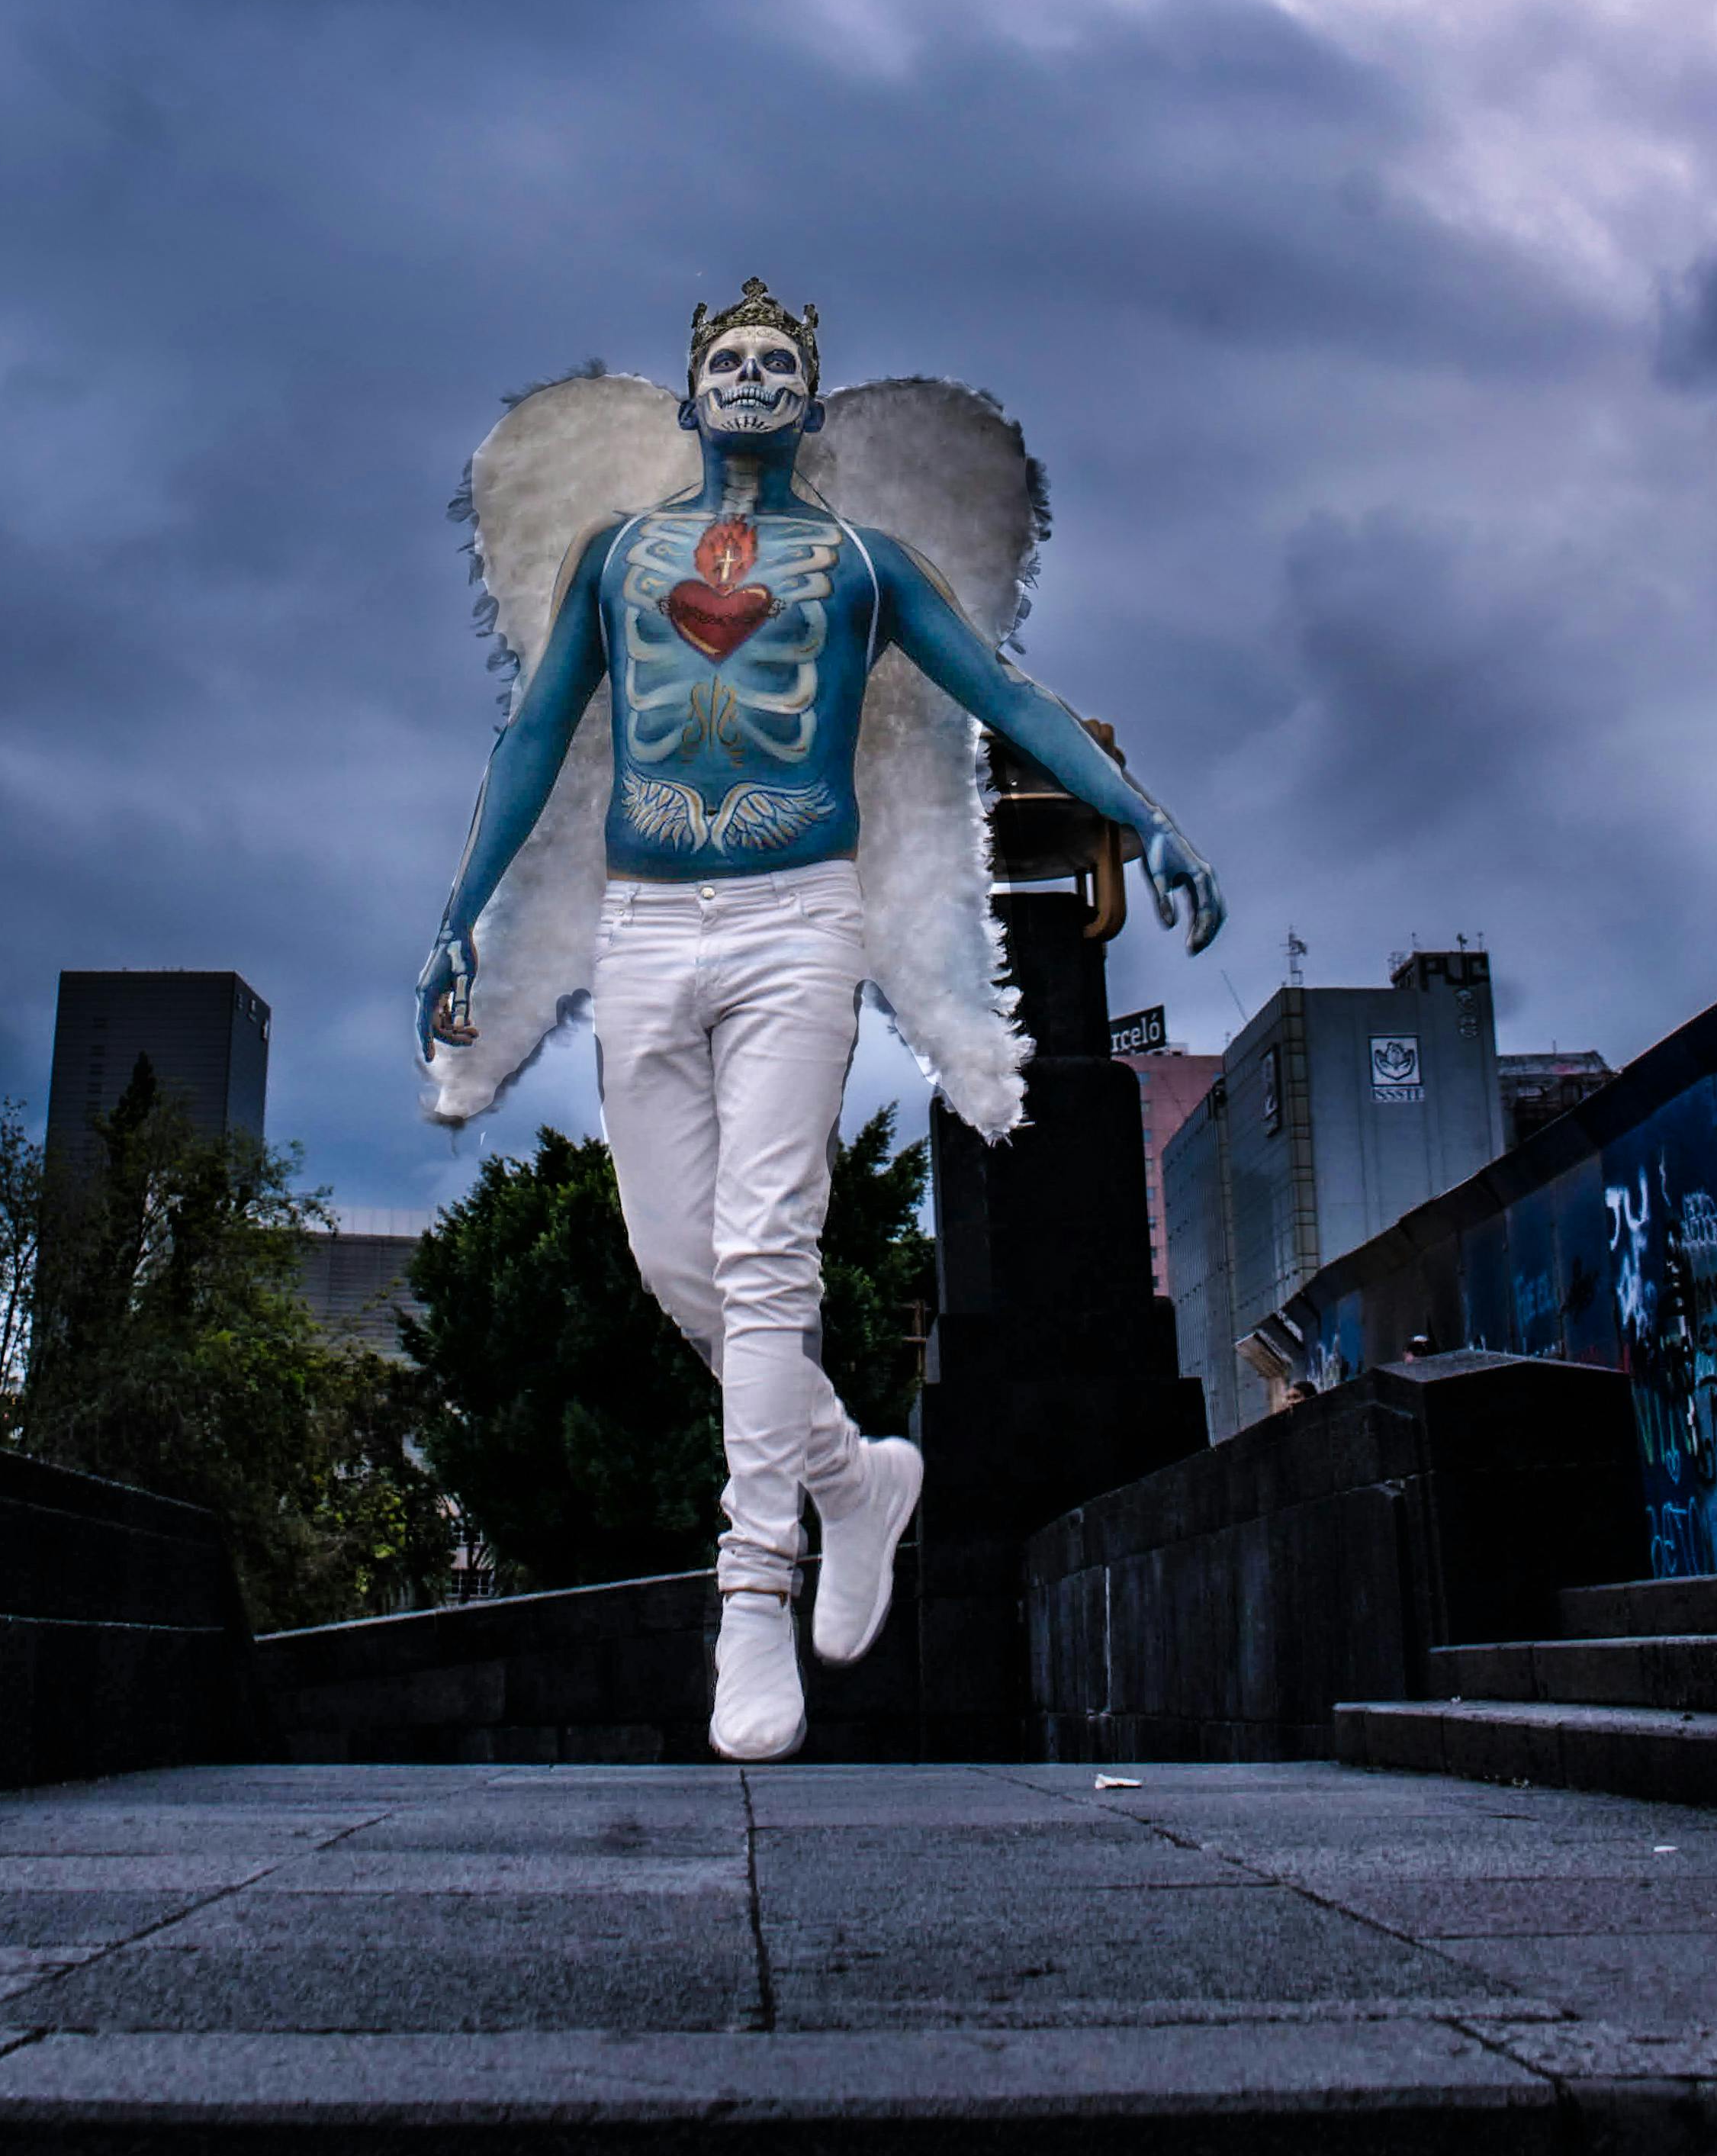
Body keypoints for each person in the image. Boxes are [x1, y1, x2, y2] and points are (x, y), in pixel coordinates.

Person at [416, 280, 1224, 1761]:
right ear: (688, 396)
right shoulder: (615, 559)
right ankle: (855, 1483)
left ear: (806, 402)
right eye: (724, 359)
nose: (746, 377)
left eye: (774, 362)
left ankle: (753, 1594)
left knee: (762, 1247)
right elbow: (534, 736)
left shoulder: (860, 563)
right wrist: (463, 915)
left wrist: (1137, 811)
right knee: (674, 1264)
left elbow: (999, 691)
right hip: (646, 926)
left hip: (796, 918)